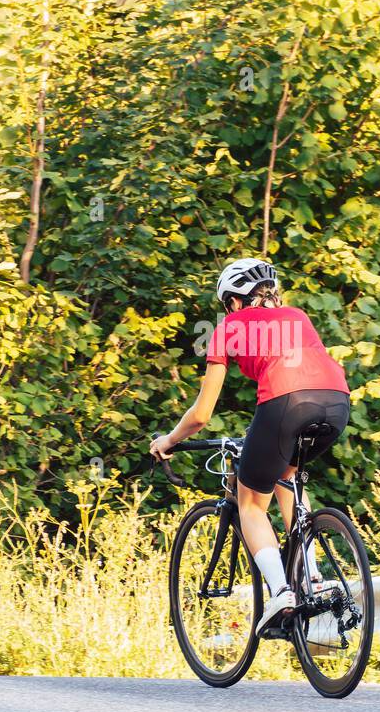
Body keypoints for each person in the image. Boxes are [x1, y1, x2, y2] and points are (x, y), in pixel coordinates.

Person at [150, 258, 350, 635]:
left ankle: (282, 593)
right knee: (286, 476)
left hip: (284, 405)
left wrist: (170, 440)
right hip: (337, 403)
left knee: (250, 503)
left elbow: (201, 414)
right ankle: (314, 578)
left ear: (234, 301)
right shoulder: (298, 317)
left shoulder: (229, 326)